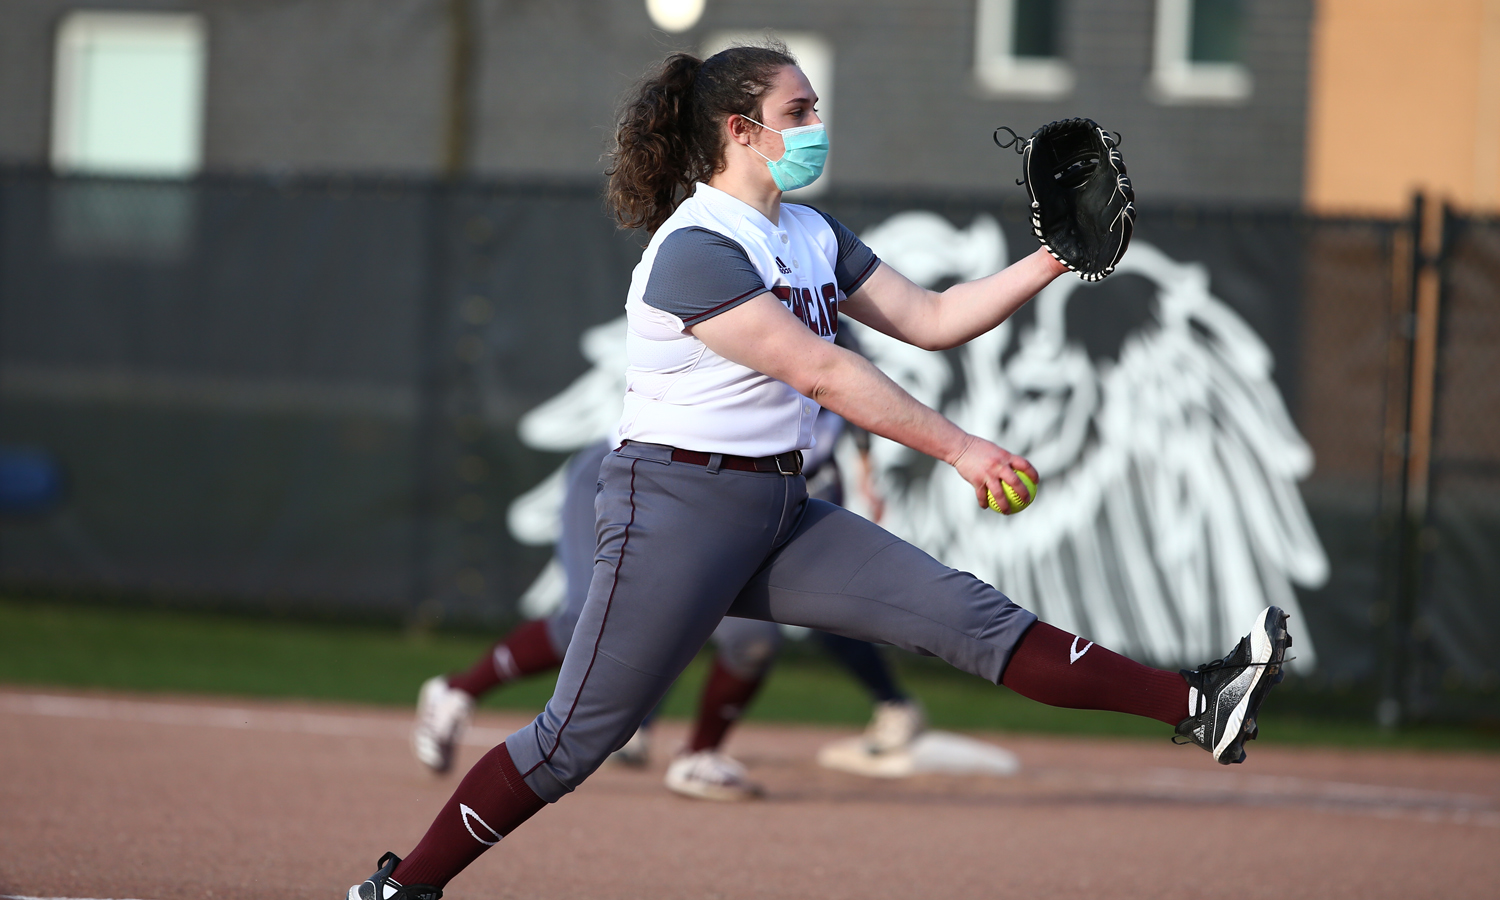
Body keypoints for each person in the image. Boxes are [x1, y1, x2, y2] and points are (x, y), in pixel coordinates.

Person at [348, 43, 1290, 899]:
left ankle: (1201, 705)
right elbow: (822, 370)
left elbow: (933, 318)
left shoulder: (808, 232)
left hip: (775, 509)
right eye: (798, 112)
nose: (814, 126)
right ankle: (403, 890)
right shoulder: (694, 248)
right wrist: (961, 446)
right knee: (569, 743)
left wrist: (1053, 257)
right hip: (670, 508)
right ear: (740, 131)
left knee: (974, 618)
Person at [413, 359, 925, 801]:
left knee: (752, 640)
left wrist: (865, 468)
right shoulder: (755, 333)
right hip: (631, 477)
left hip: (720, 507)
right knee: (588, 620)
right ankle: (457, 691)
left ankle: (699, 756)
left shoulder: (832, 416)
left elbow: (849, 424)